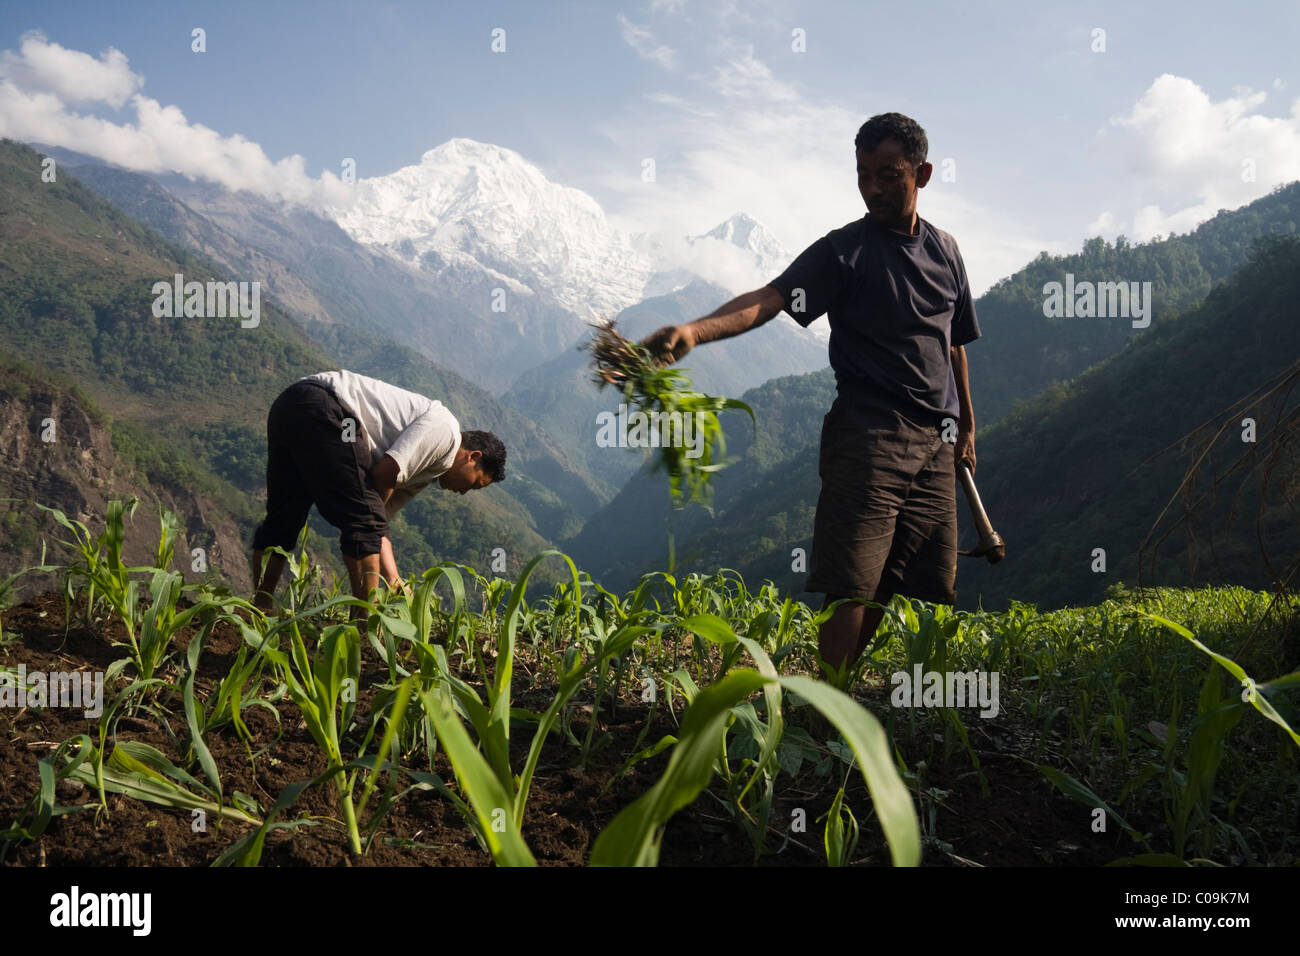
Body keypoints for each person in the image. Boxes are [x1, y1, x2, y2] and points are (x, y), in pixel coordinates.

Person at [640, 112, 979, 676]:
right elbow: (771, 298)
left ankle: (837, 687)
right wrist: (693, 332)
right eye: (862, 174)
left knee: (902, 577)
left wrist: (967, 425)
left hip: (938, 444)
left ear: (922, 173)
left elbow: (955, 344)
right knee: (853, 581)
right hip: (871, 436)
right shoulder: (844, 253)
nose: (872, 188)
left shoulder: (946, 252)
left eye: (888, 174)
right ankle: (826, 711)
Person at [250, 368, 506, 611]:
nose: (464, 492)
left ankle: (260, 609)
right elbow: (383, 477)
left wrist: (393, 578)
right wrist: (392, 575)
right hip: (328, 408)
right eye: (474, 484)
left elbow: (379, 517)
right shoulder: (446, 434)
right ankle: (364, 629)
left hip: (292, 403)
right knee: (364, 523)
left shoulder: (427, 471)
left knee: (283, 518)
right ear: (472, 456)